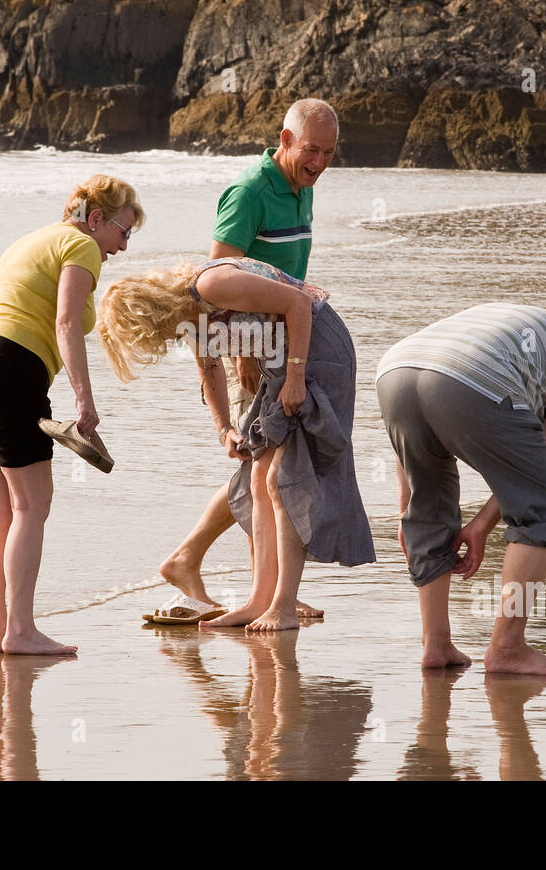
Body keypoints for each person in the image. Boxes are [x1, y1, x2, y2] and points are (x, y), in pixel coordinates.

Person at [98, 257, 374, 632]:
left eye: (154, 332)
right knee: (259, 476)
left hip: (317, 350)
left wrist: (295, 378)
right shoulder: (192, 319)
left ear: (155, 311)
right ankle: (260, 601)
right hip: (279, 359)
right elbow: (210, 369)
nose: (162, 340)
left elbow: (299, 303)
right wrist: (224, 428)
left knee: (283, 478)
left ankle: (284, 606)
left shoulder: (213, 285)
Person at [158, 98, 339, 618]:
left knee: (264, 471)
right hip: (255, 353)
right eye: (311, 151)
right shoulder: (250, 192)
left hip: (283, 344)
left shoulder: (300, 186)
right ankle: (245, 580)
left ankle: (231, 571)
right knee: (264, 469)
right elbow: (220, 281)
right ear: (284, 140)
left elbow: (278, 272)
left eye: (328, 153)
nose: (319, 162)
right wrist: (244, 358)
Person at [0, 175, 143, 655]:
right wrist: (85, 401)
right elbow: (64, 323)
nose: (121, 248)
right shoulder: (81, 246)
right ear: (96, 219)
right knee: (31, 506)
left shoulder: (33, 238)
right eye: (124, 232)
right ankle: (20, 632)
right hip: (12, 367)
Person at [375, 303, 546, 674]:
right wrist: (481, 526)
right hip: (471, 376)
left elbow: (412, 458)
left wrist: (410, 513)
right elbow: (545, 454)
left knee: (431, 510)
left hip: (396, 370)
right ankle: (508, 649)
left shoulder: (534, 337)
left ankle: (436, 646)